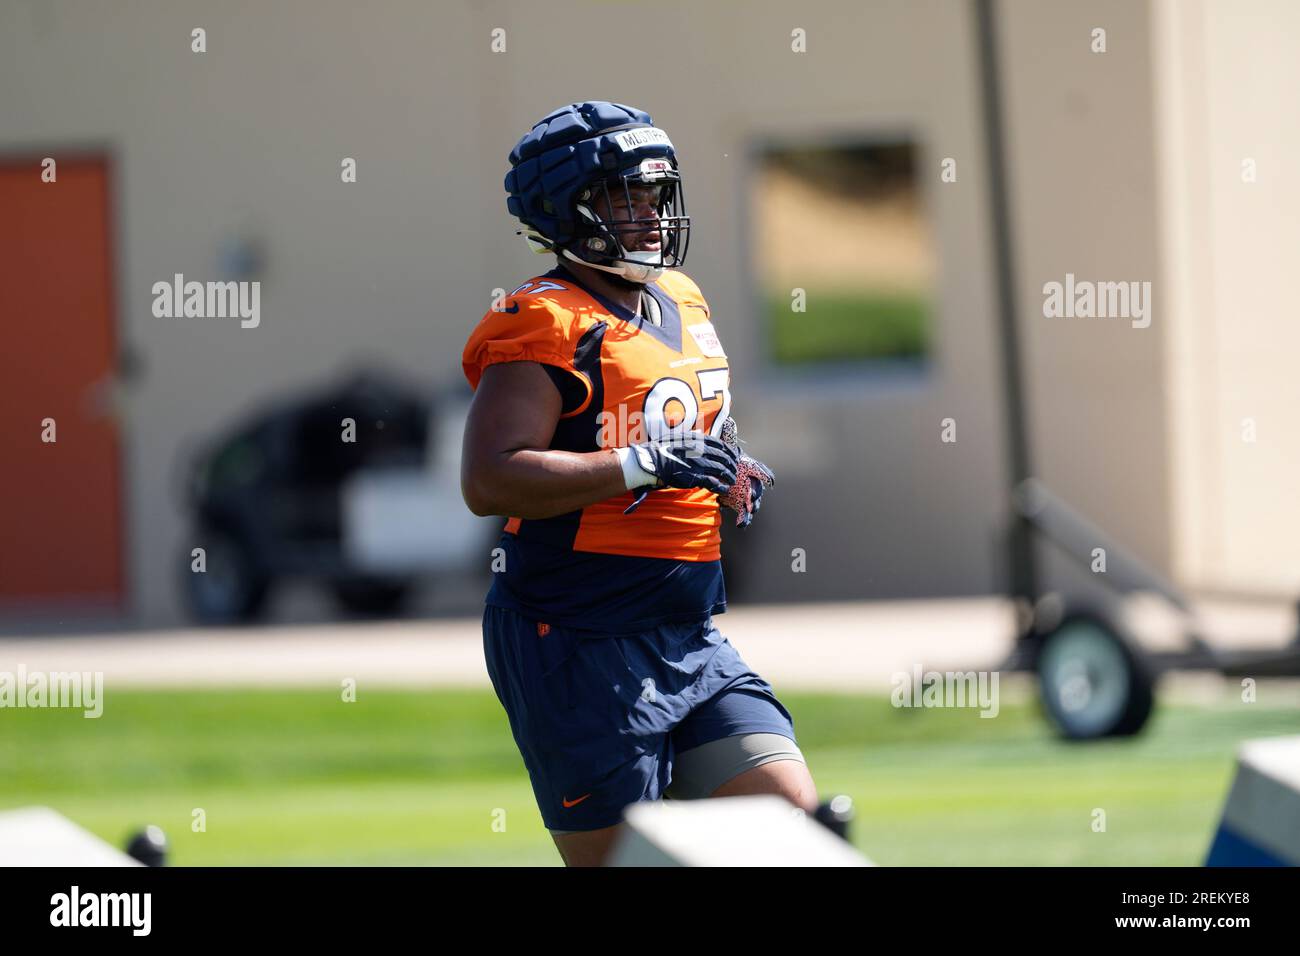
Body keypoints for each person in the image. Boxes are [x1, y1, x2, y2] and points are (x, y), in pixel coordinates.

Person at [460, 101, 817, 866]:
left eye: (655, 195)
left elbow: (674, 425)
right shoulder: (545, 318)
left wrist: (723, 465)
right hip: (575, 635)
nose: (650, 215)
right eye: (625, 197)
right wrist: (646, 464)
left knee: (789, 822)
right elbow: (489, 477)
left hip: (685, 627)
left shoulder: (681, 298)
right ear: (568, 209)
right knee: (630, 863)